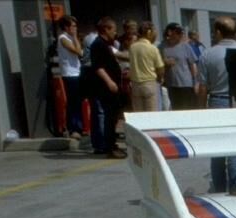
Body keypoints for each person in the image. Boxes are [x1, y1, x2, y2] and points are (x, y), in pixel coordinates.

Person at [196, 16, 236, 191]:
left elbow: (202, 87)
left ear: (218, 32)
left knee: (217, 150)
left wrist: (201, 111)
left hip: (218, 101)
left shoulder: (207, 55)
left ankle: (218, 189)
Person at [86, 17, 124, 157]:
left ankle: (112, 144)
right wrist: (110, 82)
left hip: (111, 86)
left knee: (113, 116)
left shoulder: (106, 44)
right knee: (109, 116)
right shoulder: (98, 44)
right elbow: (98, 67)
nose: (115, 32)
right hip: (105, 87)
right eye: (113, 29)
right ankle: (110, 147)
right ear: (106, 29)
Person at [56, 16, 85, 139]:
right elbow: (78, 51)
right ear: (66, 27)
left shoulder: (71, 38)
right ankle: (73, 128)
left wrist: (75, 38)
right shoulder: (63, 38)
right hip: (69, 73)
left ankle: (79, 126)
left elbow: (81, 52)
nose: (75, 28)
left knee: (78, 101)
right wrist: (74, 37)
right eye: (73, 26)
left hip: (77, 72)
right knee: (73, 101)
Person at [128, 21, 165, 112]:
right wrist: (160, 78)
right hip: (149, 83)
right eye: (154, 32)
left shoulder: (132, 47)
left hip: (136, 84)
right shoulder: (152, 48)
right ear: (149, 32)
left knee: (139, 114)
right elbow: (160, 68)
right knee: (151, 116)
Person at [161, 22, 199, 109]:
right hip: (171, 84)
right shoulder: (162, 47)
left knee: (187, 109)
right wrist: (164, 61)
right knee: (175, 108)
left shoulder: (186, 46)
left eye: (181, 32)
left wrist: (195, 82)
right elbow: (156, 61)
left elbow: (192, 65)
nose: (181, 34)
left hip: (186, 84)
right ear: (170, 32)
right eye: (178, 32)